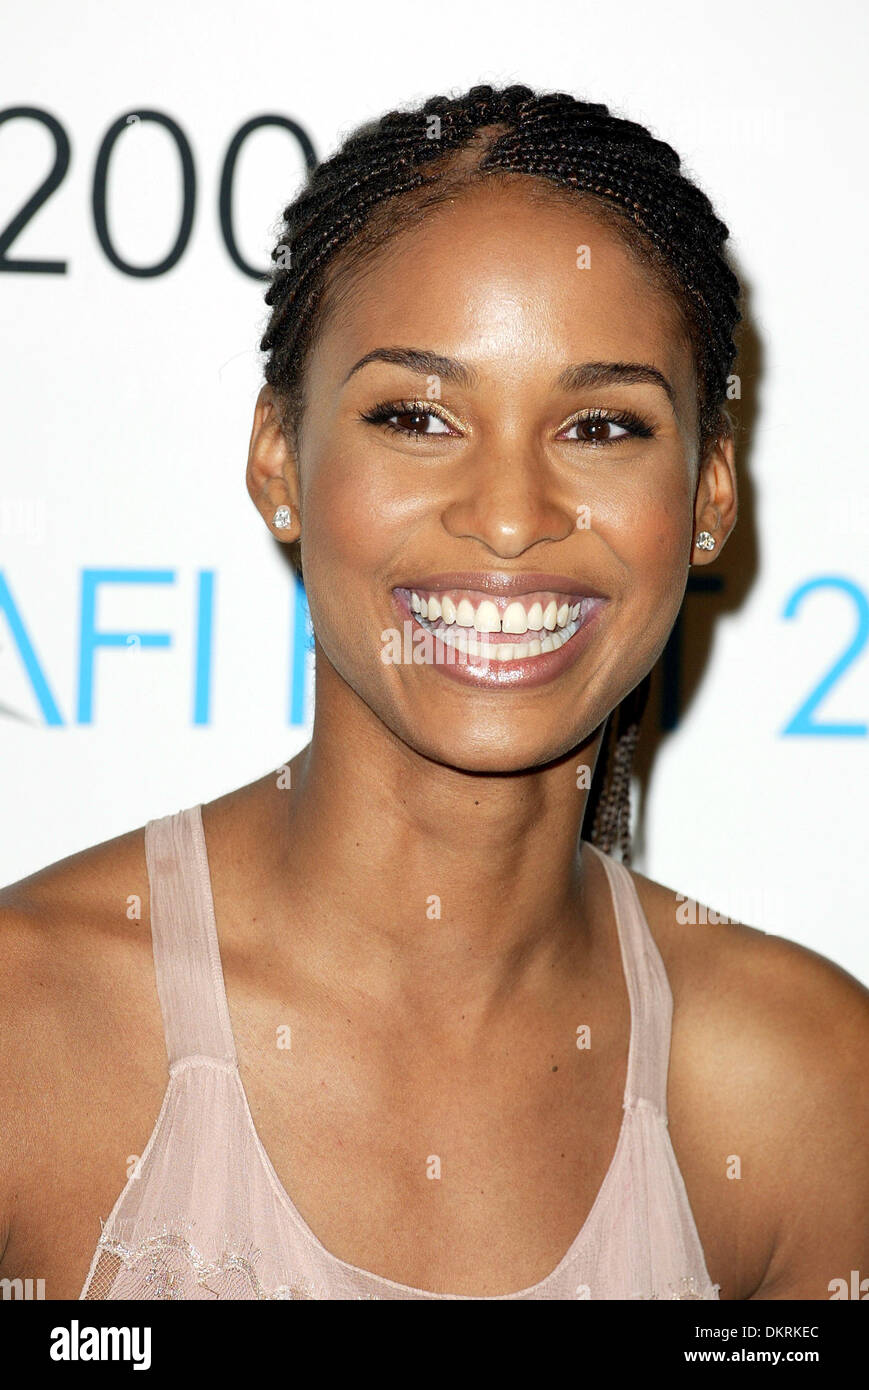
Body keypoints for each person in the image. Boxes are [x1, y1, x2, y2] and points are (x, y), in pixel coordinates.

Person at [1, 83, 867, 1301]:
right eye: (416, 415)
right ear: (277, 461)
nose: (509, 518)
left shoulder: (805, 1088)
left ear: (710, 496)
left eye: (602, 426)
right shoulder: (24, 1026)